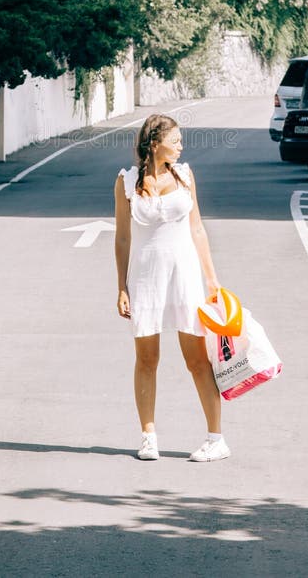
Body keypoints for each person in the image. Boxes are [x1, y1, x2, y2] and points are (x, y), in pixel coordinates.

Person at [114, 113, 230, 463]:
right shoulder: (127, 181)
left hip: (185, 275)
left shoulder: (185, 174)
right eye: (175, 140)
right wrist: (121, 287)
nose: (181, 146)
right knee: (147, 358)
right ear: (155, 143)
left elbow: (197, 229)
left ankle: (216, 439)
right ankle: (148, 436)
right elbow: (122, 237)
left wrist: (212, 280)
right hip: (145, 277)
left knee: (197, 359)